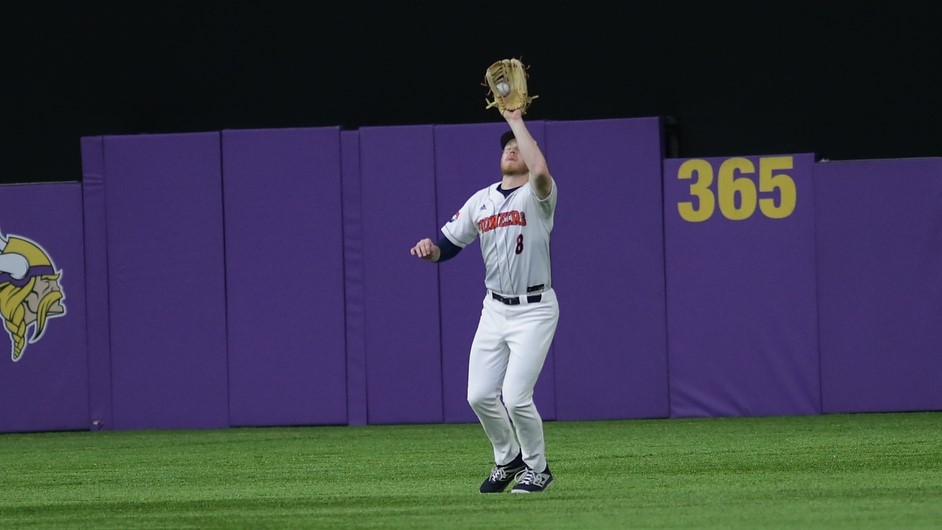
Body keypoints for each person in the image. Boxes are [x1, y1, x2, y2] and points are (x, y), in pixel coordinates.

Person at [410, 108, 559, 494]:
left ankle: (537, 469)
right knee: (478, 395)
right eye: (507, 146)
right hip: (495, 308)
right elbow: (449, 244)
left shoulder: (538, 196)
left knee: (516, 396)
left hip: (535, 309)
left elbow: (540, 172)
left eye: (519, 146)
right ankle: (507, 459)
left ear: (530, 153)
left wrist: (516, 121)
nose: (512, 149)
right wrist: (432, 251)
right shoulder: (482, 200)